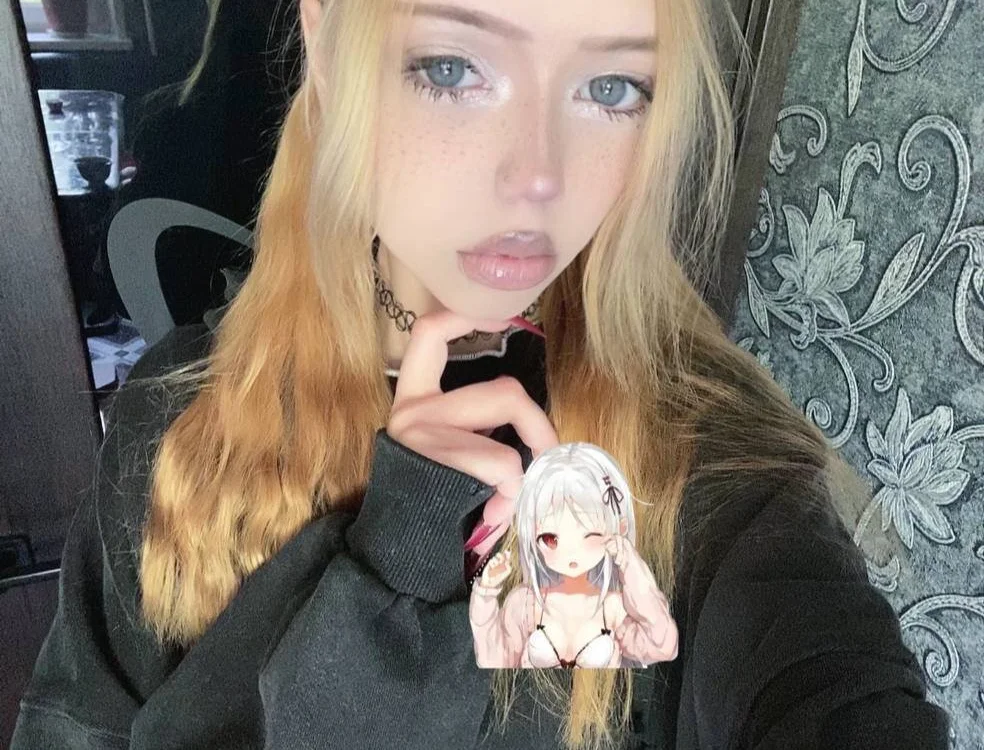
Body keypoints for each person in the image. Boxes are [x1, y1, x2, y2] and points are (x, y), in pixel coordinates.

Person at [11, 0, 950, 748]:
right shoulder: (180, 416)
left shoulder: (713, 458)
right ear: (327, 48)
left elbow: (827, 682)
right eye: (454, 69)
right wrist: (393, 571)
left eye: (612, 87)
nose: (538, 176)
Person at [469, 442, 678, 670]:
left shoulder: (614, 607)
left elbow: (663, 646)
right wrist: (485, 594)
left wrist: (631, 566)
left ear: (617, 528)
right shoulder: (526, 603)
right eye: (551, 538)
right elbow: (493, 661)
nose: (570, 554)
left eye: (590, 535)